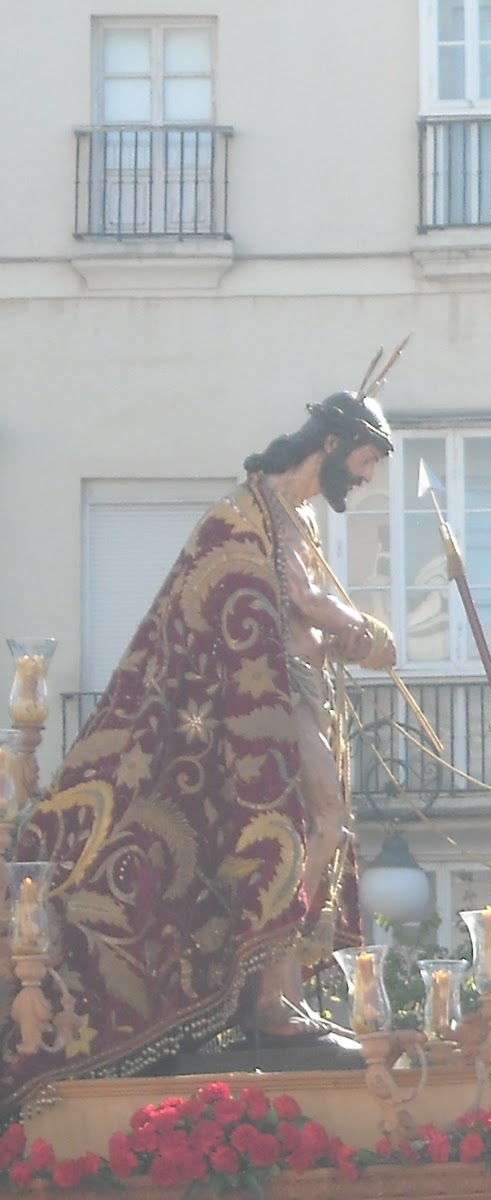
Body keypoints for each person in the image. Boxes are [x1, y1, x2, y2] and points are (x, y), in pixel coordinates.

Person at [2, 392, 397, 1116]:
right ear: (334, 444)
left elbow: (308, 610)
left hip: (300, 696)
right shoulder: (240, 518)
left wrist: (344, 631)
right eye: (366, 461)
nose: (366, 477)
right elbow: (266, 609)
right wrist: (349, 625)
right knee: (313, 817)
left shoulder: (296, 520)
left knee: (322, 820)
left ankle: (278, 990)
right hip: (255, 714)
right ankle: (269, 999)